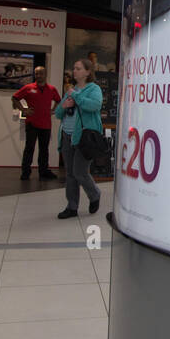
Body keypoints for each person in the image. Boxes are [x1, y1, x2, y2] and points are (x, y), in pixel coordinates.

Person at [55, 58, 103, 219]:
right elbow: (57, 113)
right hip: (67, 136)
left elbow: (94, 106)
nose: (74, 71)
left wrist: (76, 97)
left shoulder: (93, 89)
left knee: (79, 172)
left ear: (88, 72)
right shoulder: (72, 89)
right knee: (70, 173)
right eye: (74, 68)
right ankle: (72, 206)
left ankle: (94, 194)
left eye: (78, 68)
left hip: (84, 138)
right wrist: (64, 106)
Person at [12, 66, 60, 180]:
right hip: (32, 123)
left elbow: (59, 100)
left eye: (41, 73)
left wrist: (53, 110)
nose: (38, 76)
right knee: (29, 148)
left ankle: (43, 172)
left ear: (45, 74)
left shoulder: (52, 89)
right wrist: (23, 110)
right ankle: (25, 173)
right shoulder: (28, 88)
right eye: (36, 73)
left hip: (46, 124)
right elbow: (14, 98)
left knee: (44, 149)